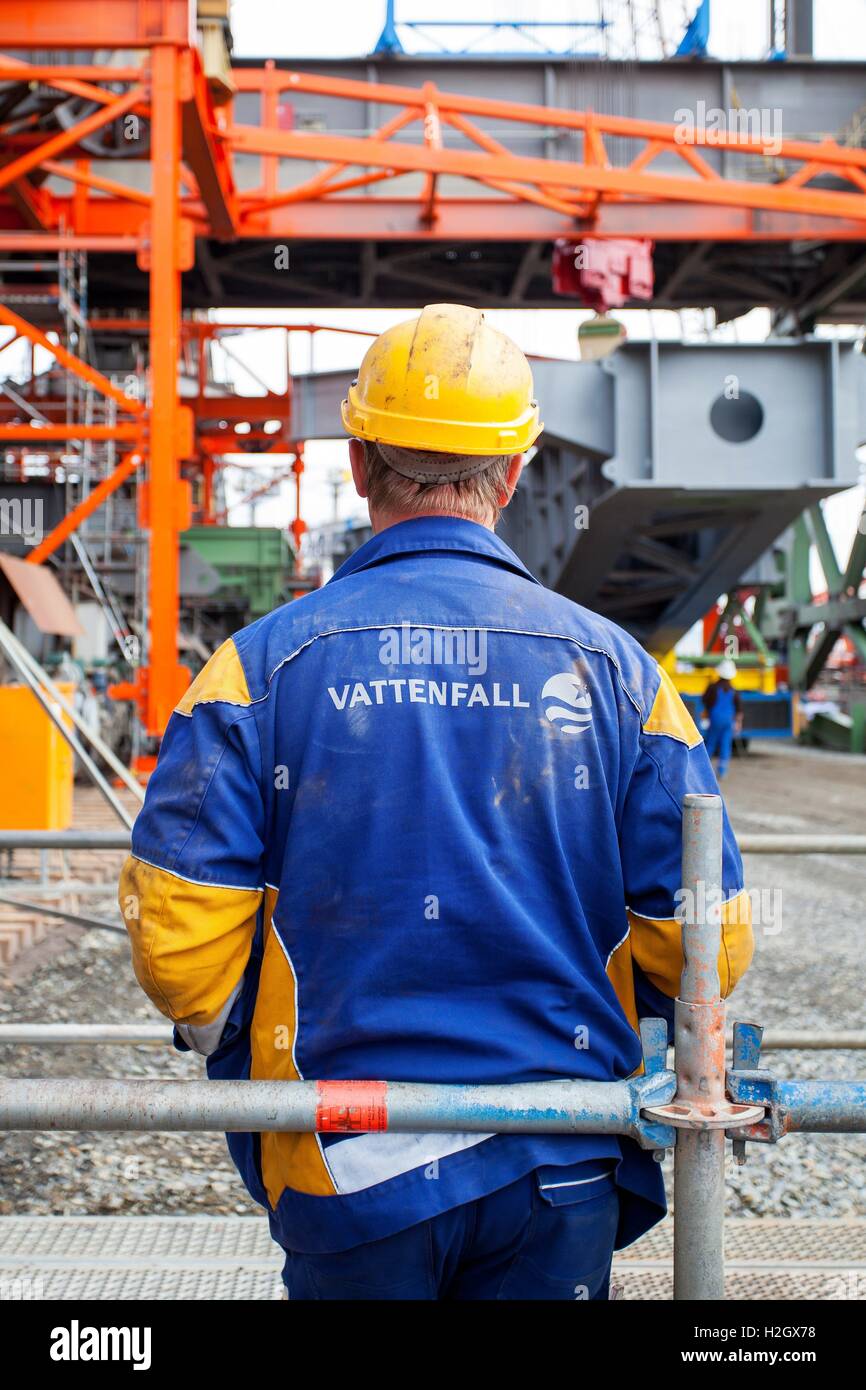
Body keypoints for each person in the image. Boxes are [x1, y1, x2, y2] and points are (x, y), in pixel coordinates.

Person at [119, 303, 753, 1301]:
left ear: (361, 464)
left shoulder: (255, 669)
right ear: (510, 473)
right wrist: (637, 1017)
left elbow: (178, 943)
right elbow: (702, 930)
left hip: (344, 1155)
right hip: (563, 1153)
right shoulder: (624, 676)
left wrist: (253, 1044)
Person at [702, 658, 744, 779]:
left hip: (715, 719)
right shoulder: (734, 690)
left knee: (710, 743)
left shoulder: (712, 688)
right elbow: (739, 709)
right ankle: (722, 770)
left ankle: (705, 770)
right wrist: (738, 723)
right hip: (728, 721)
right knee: (726, 744)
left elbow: (705, 700)